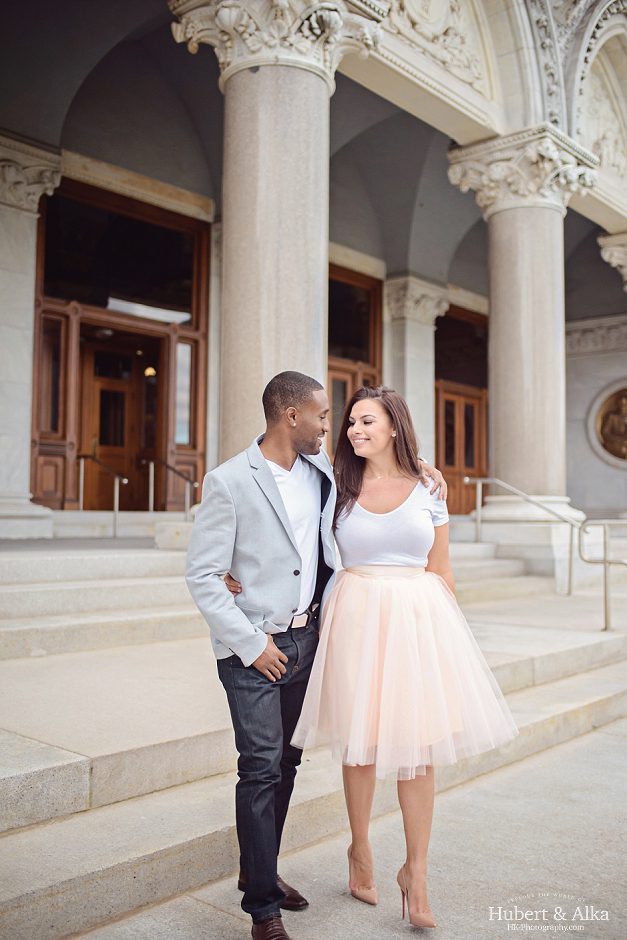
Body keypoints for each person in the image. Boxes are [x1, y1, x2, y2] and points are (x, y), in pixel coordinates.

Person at [186, 372, 446, 940]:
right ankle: (263, 909)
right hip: (253, 647)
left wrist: (422, 468)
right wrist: (251, 642)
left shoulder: (324, 473)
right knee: (260, 767)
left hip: (308, 640)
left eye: (344, 418)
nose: (334, 427)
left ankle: (260, 871)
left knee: (285, 764)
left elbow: (376, 491)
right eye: (326, 416)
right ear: (291, 416)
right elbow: (203, 573)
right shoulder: (228, 480)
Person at [290, 385, 520, 930]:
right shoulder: (334, 484)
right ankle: (360, 849)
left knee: (418, 751)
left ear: (395, 426)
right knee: (360, 745)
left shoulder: (428, 487)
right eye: (350, 422)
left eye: (367, 421)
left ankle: (416, 874)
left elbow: (441, 569)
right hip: (356, 620)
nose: (354, 430)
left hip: (417, 623)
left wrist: (450, 643)